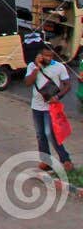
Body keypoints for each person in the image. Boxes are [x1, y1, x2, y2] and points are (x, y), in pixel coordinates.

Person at [25, 44, 75, 172]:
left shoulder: (59, 67)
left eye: (50, 55)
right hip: (36, 106)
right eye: (45, 55)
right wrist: (37, 67)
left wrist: (58, 97)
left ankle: (65, 159)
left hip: (50, 107)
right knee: (40, 134)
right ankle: (46, 161)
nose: (48, 58)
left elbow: (67, 85)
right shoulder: (32, 66)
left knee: (50, 133)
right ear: (40, 55)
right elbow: (27, 83)